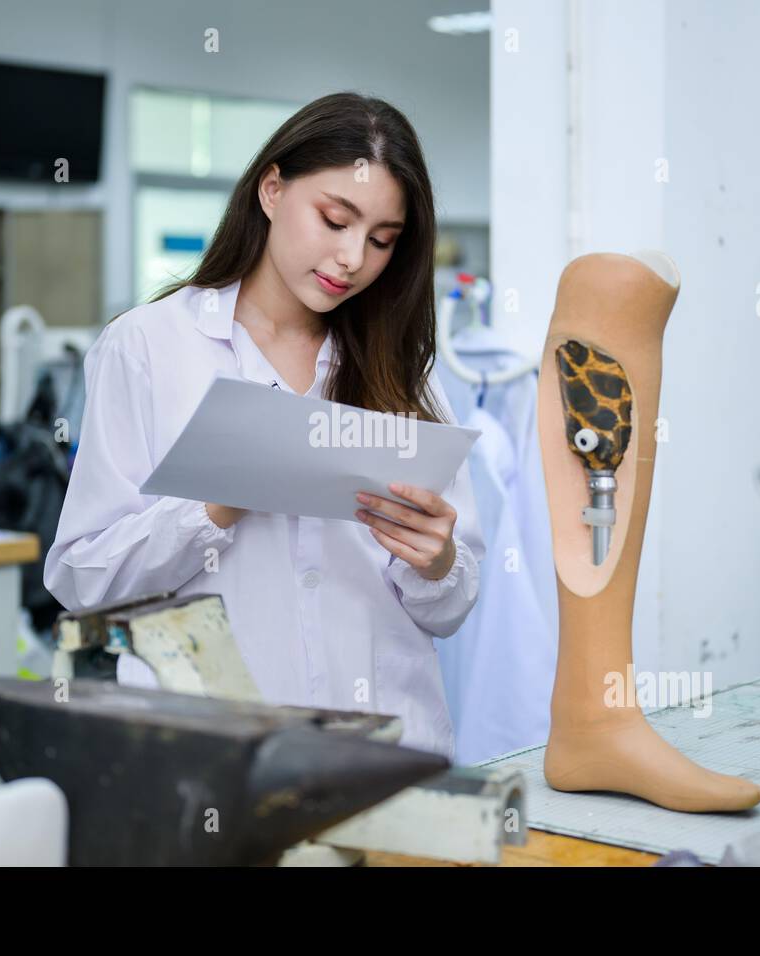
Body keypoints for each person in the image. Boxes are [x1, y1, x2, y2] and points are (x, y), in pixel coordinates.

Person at [43, 92, 484, 759]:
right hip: (215, 761)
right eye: (334, 220)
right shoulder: (148, 348)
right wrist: (213, 507)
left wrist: (439, 559)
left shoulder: (401, 374)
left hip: (388, 754)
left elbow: (448, 612)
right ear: (272, 189)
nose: (351, 258)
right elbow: (81, 579)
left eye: (381, 240)